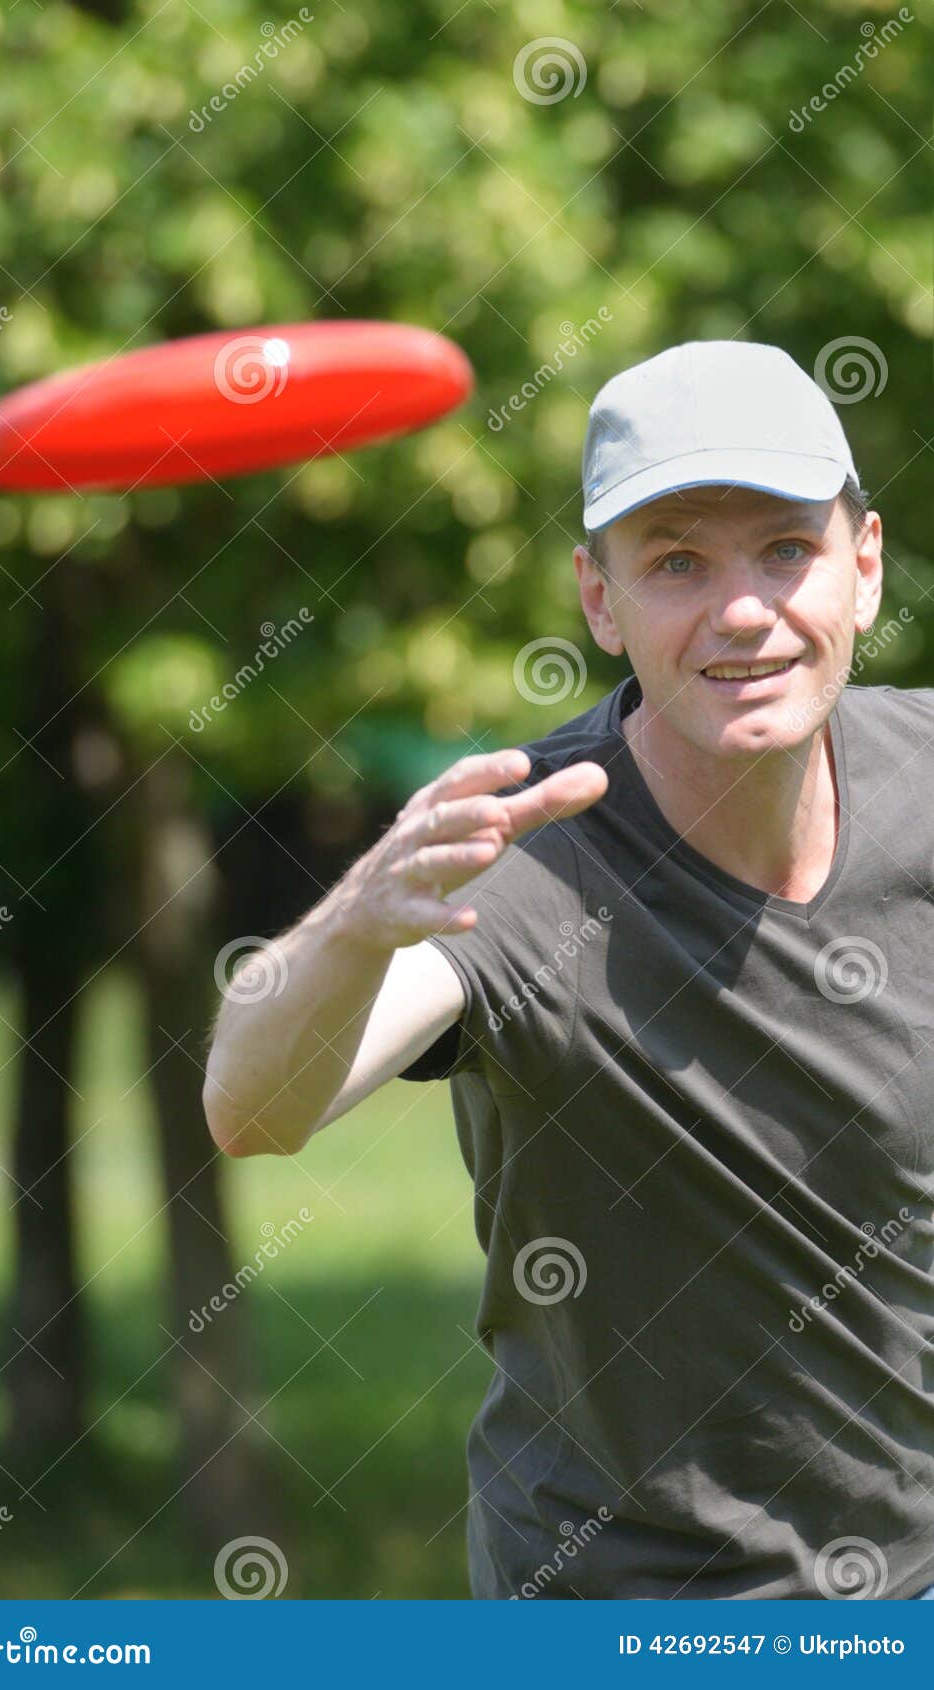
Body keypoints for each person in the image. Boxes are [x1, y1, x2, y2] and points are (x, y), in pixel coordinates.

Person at [202, 340, 934, 1601]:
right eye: (674, 564)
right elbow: (251, 1108)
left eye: (783, 550)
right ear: (598, 601)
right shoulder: (527, 860)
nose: (742, 608)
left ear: (860, 568)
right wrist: (358, 919)